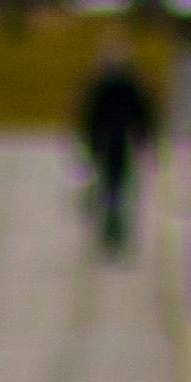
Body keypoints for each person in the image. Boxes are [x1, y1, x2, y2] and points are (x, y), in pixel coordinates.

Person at [77, 36, 163, 258]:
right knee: (118, 182)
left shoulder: (104, 84)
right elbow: (142, 114)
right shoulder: (127, 84)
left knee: (112, 183)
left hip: (110, 139)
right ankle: (114, 222)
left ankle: (112, 221)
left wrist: (90, 141)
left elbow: (90, 115)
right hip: (117, 139)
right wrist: (145, 140)